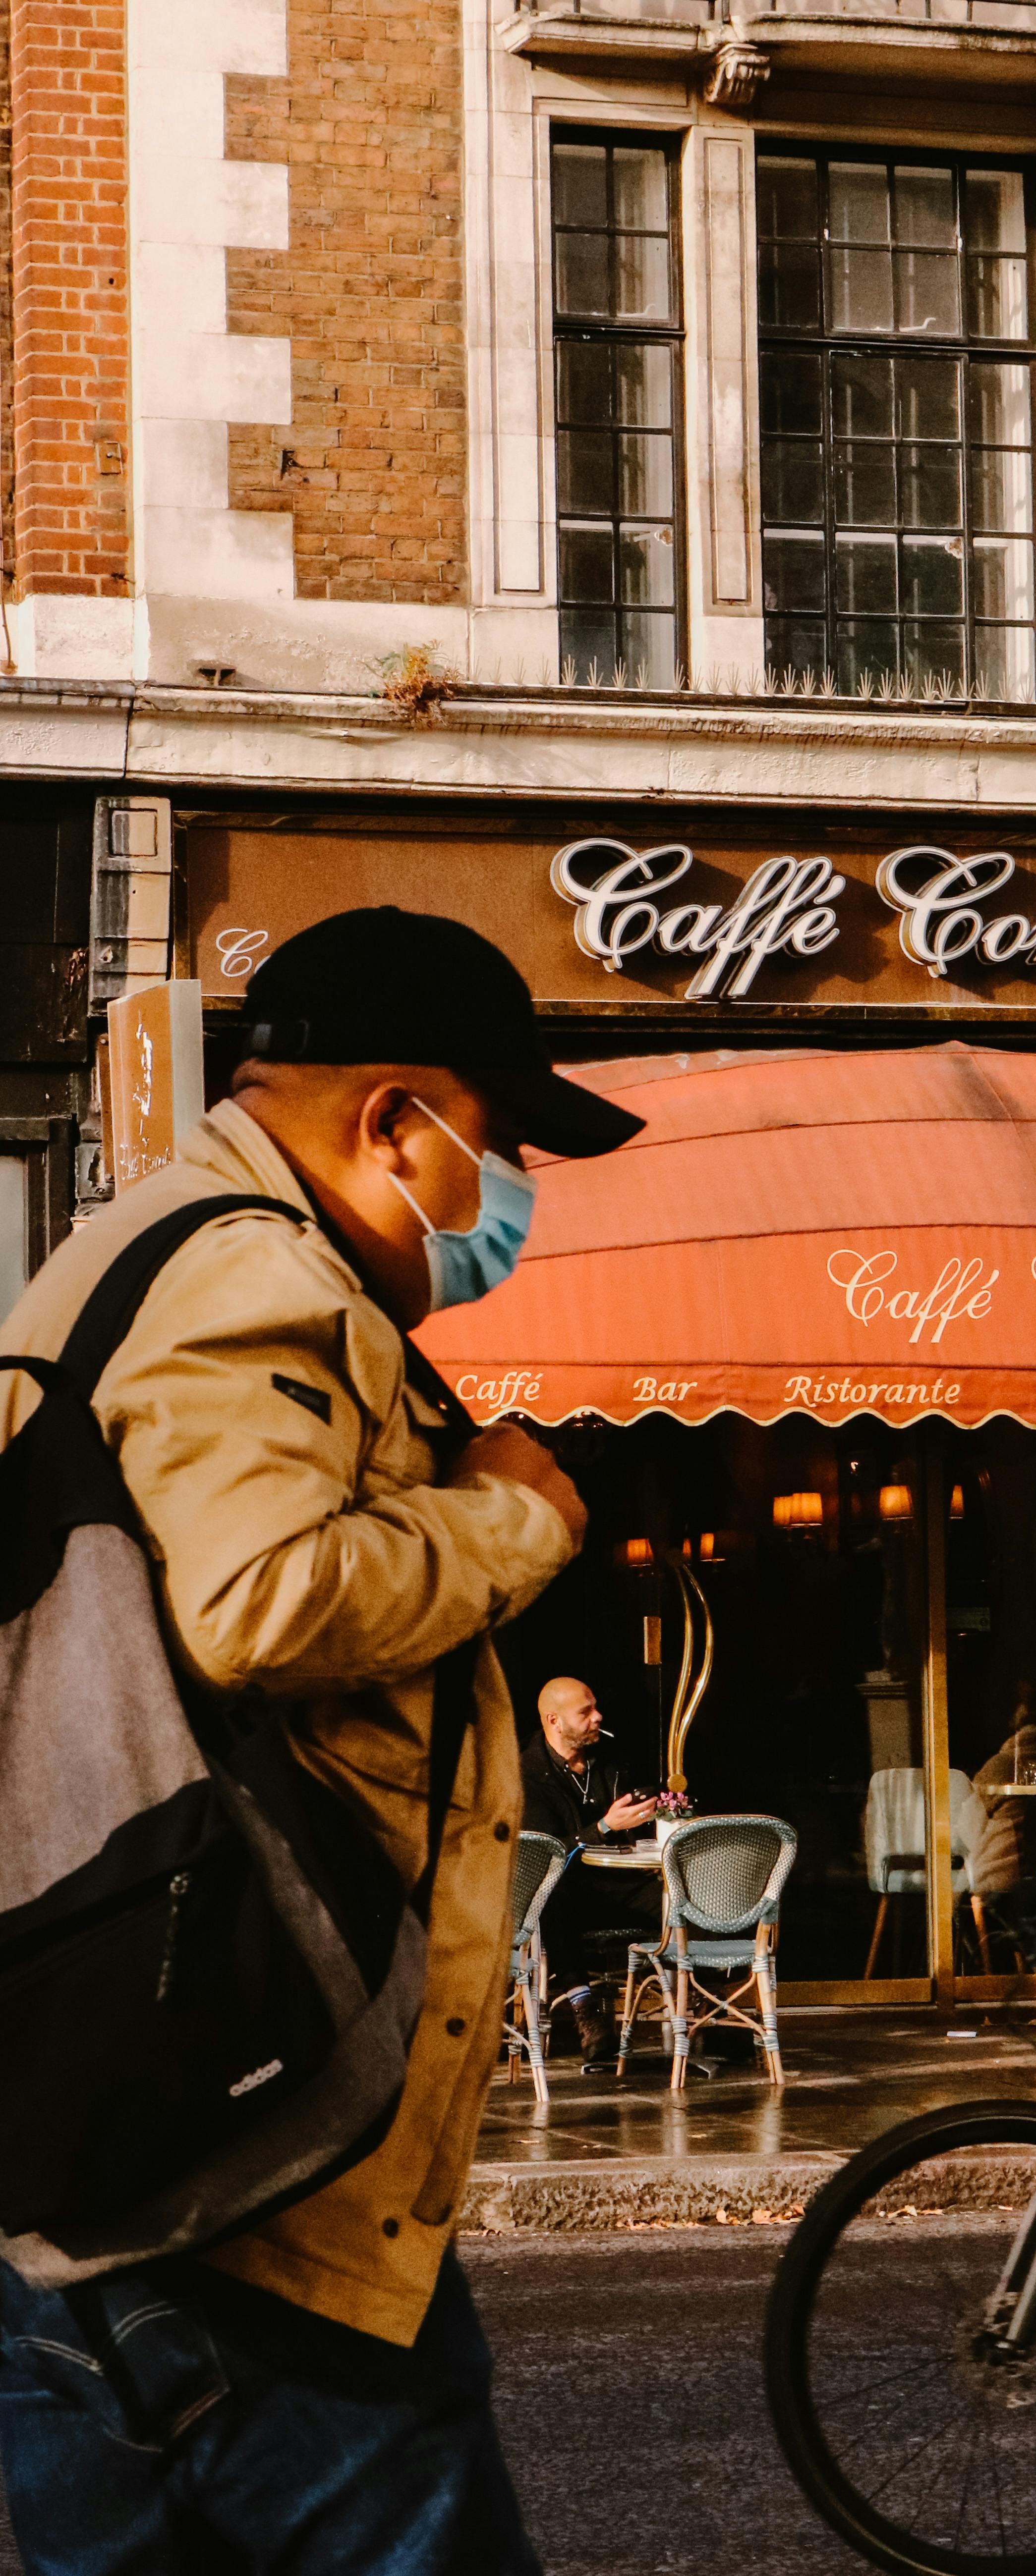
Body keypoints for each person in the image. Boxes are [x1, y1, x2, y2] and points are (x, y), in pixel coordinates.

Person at [0, 906, 642, 2575]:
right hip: (255, 2176)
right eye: (496, 1145)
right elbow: (260, 1598)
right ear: (395, 1122)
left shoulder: (121, 1260)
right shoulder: (255, 1269)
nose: (505, 1195)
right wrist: (511, 1517)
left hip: (95, 2136)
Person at [520, 1677, 658, 2060]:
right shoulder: (527, 1773)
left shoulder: (610, 1760)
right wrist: (604, 1827)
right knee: (552, 1894)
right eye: (585, 1712)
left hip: (619, 1882)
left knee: (678, 1897)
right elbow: (545, 1853)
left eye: (596, 1707)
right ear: (554, 1720)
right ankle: (585, 2009)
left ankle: (703, 2004)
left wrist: (650, 1810)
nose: (598, 1717)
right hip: (568, 1893)